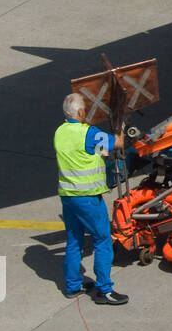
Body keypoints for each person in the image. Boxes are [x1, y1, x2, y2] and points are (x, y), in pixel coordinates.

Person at [54, 93, 129, 305]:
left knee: (74, 240)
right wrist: (120, 126)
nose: (86, 111)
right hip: (87, 198)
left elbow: (90, 151)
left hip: (68, 197)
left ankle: (73, 285)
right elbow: (119, 143)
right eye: (84, 108)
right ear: (79, 112)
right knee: (103, 239)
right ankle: (105, 290)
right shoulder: (88, 133)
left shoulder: (60, 132)